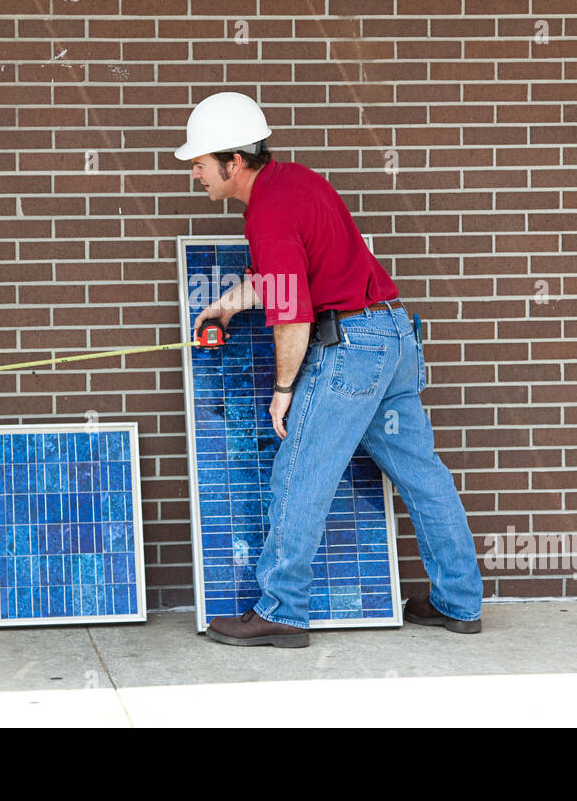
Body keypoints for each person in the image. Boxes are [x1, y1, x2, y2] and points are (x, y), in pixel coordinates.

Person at [180, 92, 484, 647]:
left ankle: (282, 611)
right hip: (392, 338)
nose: (194, 173)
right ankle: (459, 602)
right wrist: (228, 303)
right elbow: (291, 276)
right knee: (423, 474)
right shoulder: (295, 182)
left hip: (350, 350)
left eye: (200, 163)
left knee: (299, 472)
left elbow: (291, 315)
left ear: (235, 162)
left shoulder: (267, 213)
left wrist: (283, 388)